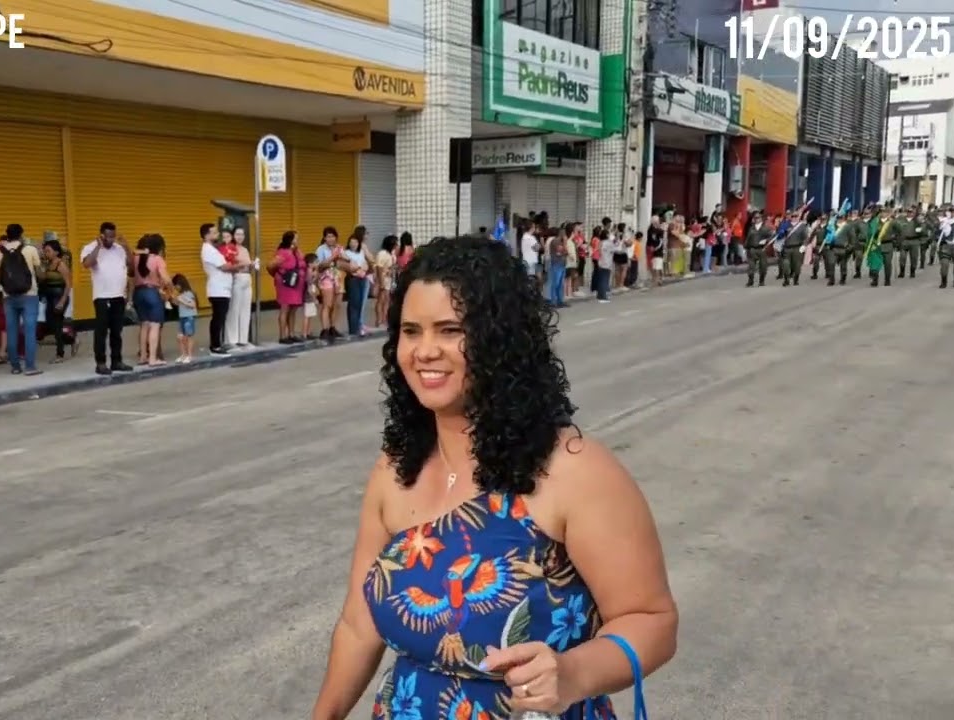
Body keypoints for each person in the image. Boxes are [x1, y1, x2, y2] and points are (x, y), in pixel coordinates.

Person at [310, 236, 677, 720]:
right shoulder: (395, 469)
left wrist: (573, 674)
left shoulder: (574, 471)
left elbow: (653, 621)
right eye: (411, 331)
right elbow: (359, 627)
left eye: (449, 330)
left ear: (500, 340)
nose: (424, 351)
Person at [0, 223, 44, 375]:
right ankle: (30, 367)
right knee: (29, 331)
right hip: (29, 295)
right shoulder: (30, 249)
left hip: (9, 296)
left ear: (7, 235)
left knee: (11, 330)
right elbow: (40, 274)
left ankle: (15, 367)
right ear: (21, 234)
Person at [81, 221, 132, 374]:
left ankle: (117, 361)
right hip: (102, 296)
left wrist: (126, 246)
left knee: (117, 331)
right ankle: (101, 363)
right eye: (108, 237)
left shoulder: (119, 248)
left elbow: (131, 264)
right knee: (101, 331)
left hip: (118, 295)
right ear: (102, 235)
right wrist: (98, 246)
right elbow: (87, 264)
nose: (111, 240)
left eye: (113, 237)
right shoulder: (90, 247)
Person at [199, 222, 239, 354]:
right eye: (215, 232)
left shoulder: (212, 249)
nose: (218, 234)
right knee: (218, 317)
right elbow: (224, 267)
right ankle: (215, 346)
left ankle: (218, 343)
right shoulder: (208, 250)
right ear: (207, 235)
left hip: (222, 288)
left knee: (220, 317)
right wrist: (242, 266)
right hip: (218, 289)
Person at [132, 233, 171, 366]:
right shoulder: (157, 259)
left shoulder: (135, 258)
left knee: (144, 325)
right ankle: (153, 358)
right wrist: (169, 288)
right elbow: (166, 279)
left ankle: (143, 356)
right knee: (155, 325)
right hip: (152, 292)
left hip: (138, 293)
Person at [39, 237, 74, 362]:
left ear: (56, 252)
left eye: (48, 251)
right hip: (49, 296)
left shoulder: (61, 265)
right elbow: (42, 278)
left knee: (57, 324)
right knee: (51, 324)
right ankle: (71, 339)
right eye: (45, 251)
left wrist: (62, 300)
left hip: (59, 296)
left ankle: (60, 354)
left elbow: (68, 284)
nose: (46, 253)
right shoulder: (48, 264)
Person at [270, 230, 306, 343]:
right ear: (290, 240)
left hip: (296, 283)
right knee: (285, 308)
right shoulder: (283, 252)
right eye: (295, 238)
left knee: (293, 309)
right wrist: (278, 276)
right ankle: (282, 336)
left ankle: (291, 333)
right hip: (286, 283)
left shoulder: (297, 251)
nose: (297, 240)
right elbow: (270, 265)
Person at [227, 226, 256, 349]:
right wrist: (246, 263)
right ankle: (232, 340)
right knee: (235, 309)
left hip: (247, 278)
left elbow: (248, 266)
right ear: (233, 235)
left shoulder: (245, 249)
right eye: (238, 234)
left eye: (242, 234)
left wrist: (252, 265)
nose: (240, 237)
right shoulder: (230, 249)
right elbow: (231, 264)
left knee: (246, 310)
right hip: (237, 279)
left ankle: (243, 339)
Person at [171, 273, 198, 363]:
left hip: (188, 317)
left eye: (176, 285)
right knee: (180, 337)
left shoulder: (188, 293)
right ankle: (183, 354)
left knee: (188, 337)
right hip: (182, 317)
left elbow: (192, 305)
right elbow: (178, 304)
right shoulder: (181, 294)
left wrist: (181, 300)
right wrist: (174, 299)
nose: (176, 287)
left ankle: (189, 355)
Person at [742, 211, 770, 287]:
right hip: (752, 249)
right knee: (751, 267)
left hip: (761, 249)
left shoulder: (765, 228)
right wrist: (745, 248)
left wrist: (766, 240)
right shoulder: (751, 228)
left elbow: (771, 237)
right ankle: (750, 281)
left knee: (763, 267)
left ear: (761, 218)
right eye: (755, 218)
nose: (756, 219)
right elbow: (748, 238)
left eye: (758, 218)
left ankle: (762, 281)